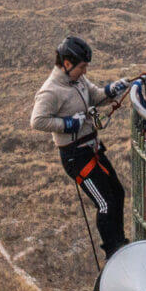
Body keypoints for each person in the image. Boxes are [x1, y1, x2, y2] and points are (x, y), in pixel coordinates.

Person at [29, 33, 133, 258]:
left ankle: (120, 243)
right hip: (76, 157)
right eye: (82, 66)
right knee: (105, 202)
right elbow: (37, 120)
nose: (85, 71)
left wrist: (112, 90)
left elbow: (95, 96)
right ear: (67, 64)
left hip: (92, 148)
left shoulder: (78, 80)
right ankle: (114, 251)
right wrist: (67, 124)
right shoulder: (51, 91)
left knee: (117, 192)